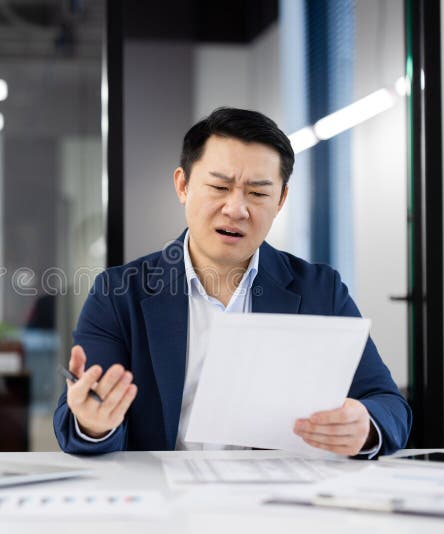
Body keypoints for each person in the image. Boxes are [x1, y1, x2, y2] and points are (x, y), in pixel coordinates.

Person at [53, 107, 412, 456]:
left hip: (280, 503)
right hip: (164, 503)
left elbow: (389, 405)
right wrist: (94, 423)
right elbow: (81, 416)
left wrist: (365, 426)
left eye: (257, 193)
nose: (236, 209)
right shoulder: (118, 293)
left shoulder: (321, 290)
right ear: (183, 185)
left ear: (281, 199)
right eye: (219, 187)